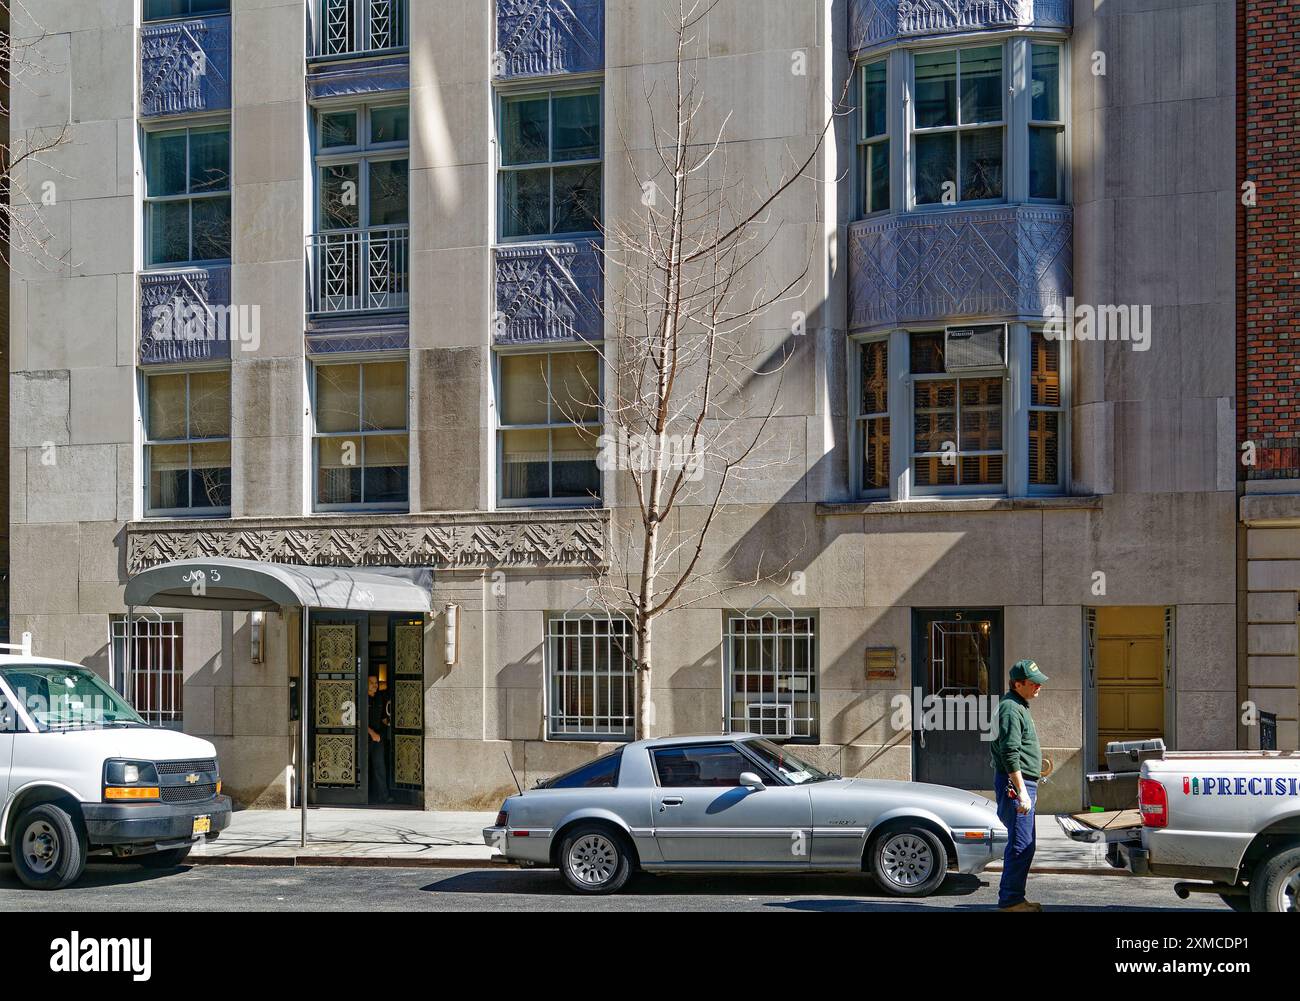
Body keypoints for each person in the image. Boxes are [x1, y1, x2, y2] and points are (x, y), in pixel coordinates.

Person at [990, 658, 1049, 912]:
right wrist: (1023, 792)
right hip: (1016, 785)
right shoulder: (1011, 708)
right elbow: (1009, 752)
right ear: (1018, 684)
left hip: (1023, 783)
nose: (1038, 686)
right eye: (1033, 683)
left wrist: (1032, 780)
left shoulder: (1019, 705)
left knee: (1025, 844)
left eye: (1039, 682)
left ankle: (1014, 899)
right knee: (1021, 844)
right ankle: (1011, 902)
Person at [366, 674, 392, 804]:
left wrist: (391, 723)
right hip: (363, 739)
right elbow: (358, 720)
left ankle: (383, 796)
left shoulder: (379, 698)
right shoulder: (361, 698)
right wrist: (372, 733)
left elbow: (383, 718)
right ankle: (362, 796)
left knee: (379, 767)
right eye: (371, 682)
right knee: (364, 767)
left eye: (376, 682)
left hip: (377, 739)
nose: (375, 685)